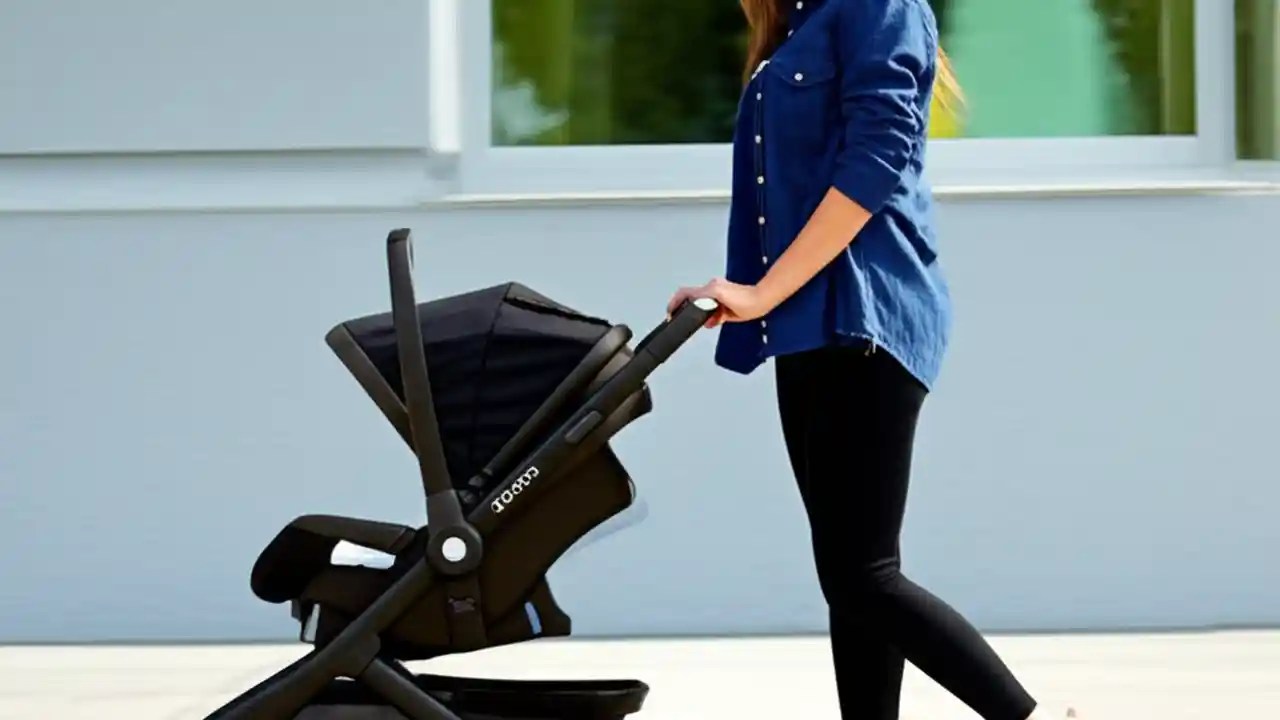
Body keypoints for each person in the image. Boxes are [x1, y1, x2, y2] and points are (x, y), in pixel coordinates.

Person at [666, 1, 1075, 719]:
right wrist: (751, 295)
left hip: (867, 319)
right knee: (853, 580)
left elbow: (877, 159)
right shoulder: (797, 23)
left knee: (863, 577)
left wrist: (763, 291)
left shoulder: (877, 5)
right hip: (807, 326)